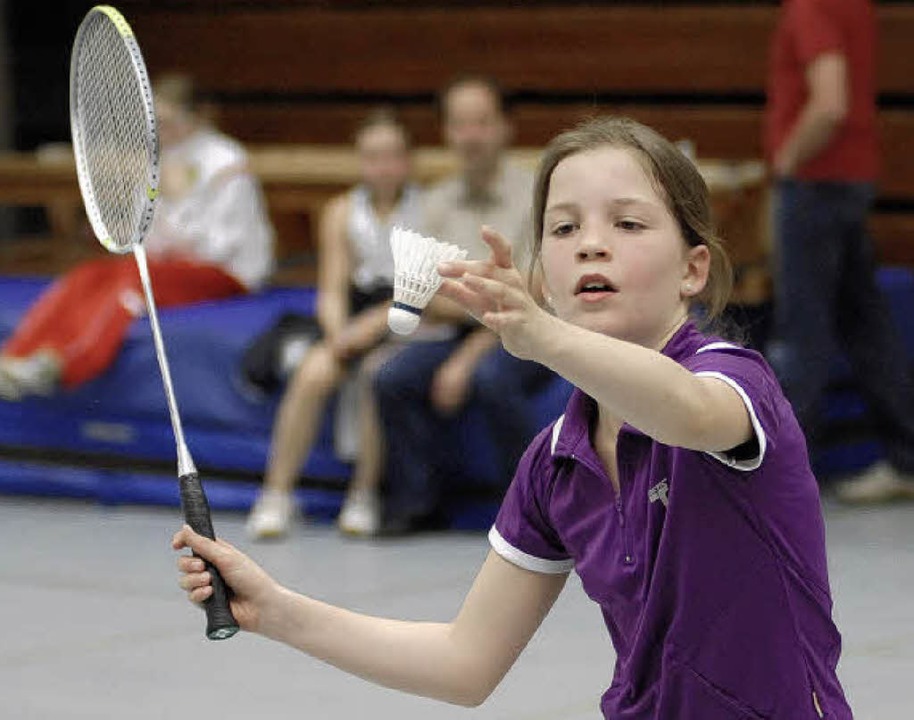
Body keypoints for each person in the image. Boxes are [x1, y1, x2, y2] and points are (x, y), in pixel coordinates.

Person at [176, 116, 852, 719]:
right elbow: (464, 664)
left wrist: (543, 338)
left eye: (628, 223)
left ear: (693, 270)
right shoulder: (556, 462)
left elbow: (686, 413)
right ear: (544, 276)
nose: (591, 244)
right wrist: (277, 610)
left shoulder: (735, 382)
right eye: (564, 228)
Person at [0, 73, 274, 400]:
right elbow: (146, 239)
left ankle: (63, 365)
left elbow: (217, 249)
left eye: (169, 122)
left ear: (197, 116)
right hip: (172, 265)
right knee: (87, 276)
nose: (162, 131)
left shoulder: (227, 162)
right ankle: (14, 356)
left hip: (227, 273)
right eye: (155, 121)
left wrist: (176, 203)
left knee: (132, 282)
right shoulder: (160, 159)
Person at [372, 74, 555, 533]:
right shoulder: (434, 201)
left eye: (482, 122)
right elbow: (421, 290)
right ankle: (418, 503)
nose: (470, 136)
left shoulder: (537, 197)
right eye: (459, 124)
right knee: (392, 378)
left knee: (492, 378)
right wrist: (479, 301)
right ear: (447, 132)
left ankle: (530, 515)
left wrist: (468, 351)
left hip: (529, 331)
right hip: (455, 328)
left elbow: (531, 292)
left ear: (506, 127)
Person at [244, 108, 428, 539]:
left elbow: (421, 289)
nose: (382, 167)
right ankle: (276, 494)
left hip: (408, 315)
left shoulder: (426, 210)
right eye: (372, 157)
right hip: (354, 314)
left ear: (408, 160)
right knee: (314, 371)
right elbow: (331, 288)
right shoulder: (342, 211)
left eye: (392, 156)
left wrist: (373, 328)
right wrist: (338, 334)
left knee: (373, 375)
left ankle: (363, 494)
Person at [764, 0, 914, 502]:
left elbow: (829, 103)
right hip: (850, 178)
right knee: (867, 325)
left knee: (801, 332)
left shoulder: (811, 6)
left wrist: (788, 160)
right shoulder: (856, 5)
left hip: (815, 183)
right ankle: (906, 457)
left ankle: (781, 482)